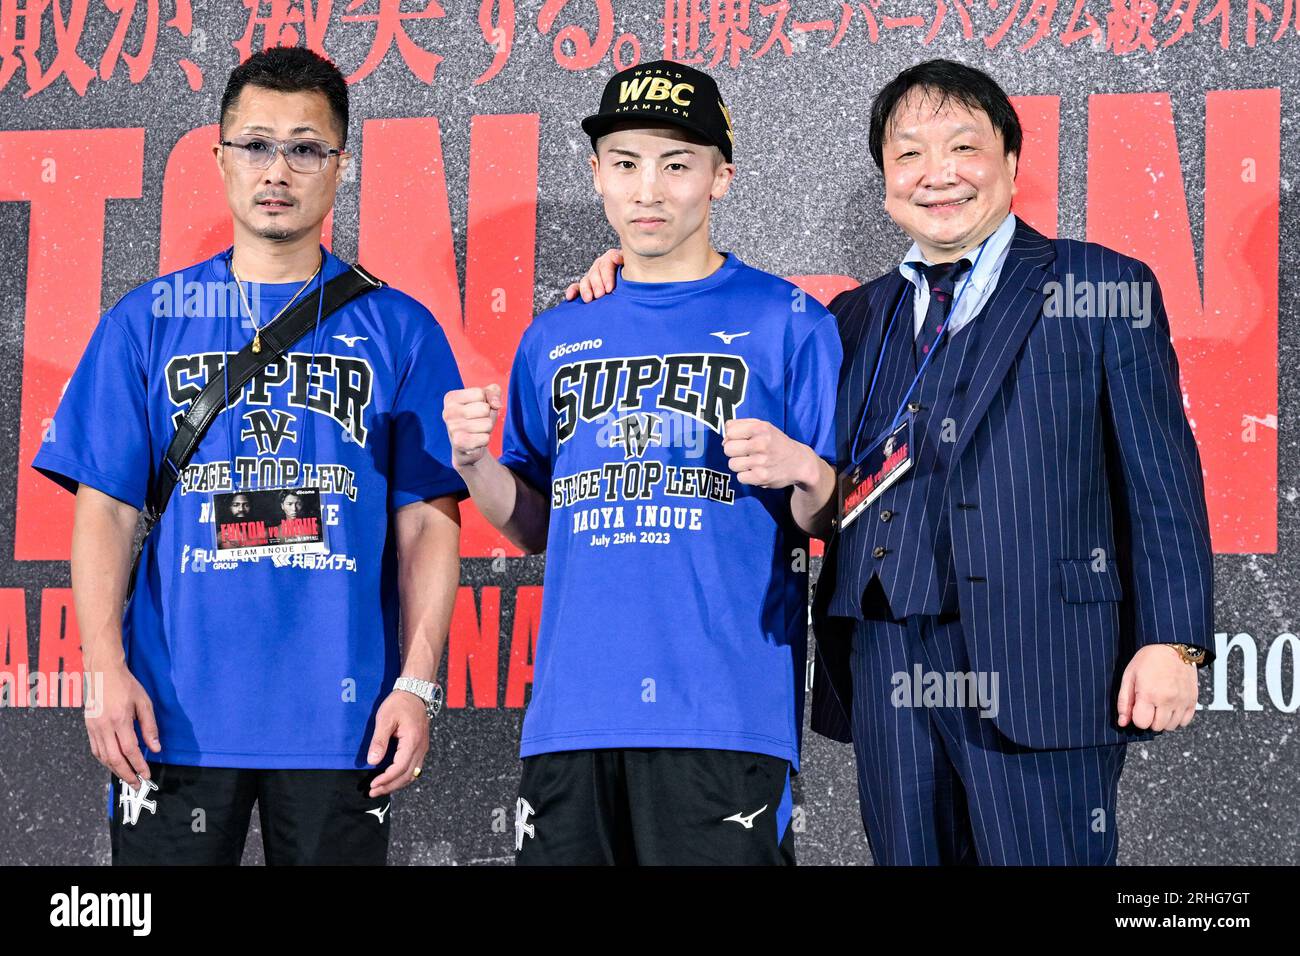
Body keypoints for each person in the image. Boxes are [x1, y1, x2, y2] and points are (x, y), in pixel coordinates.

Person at [566, 59, 1214, 866]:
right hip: (886, 667)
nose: (936, 175)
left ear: (1012, 163)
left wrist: (1175, 641)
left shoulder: (1100, 287)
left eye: (962, 148)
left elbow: (1163, 483)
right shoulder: (851, 316)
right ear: (884, 182)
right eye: (908, 154)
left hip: (1041, 664)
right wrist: (628, 279)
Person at [32, 46, 465, 865]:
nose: (278, 170)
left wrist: (415, 682)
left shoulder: (399, 329)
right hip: (170, 714)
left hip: (345, 723)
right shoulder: (148, 319)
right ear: (220, 156)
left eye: (305, 148)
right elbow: (109, 507)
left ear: (340, 164)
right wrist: (103, 668)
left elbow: (427, 522)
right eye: (256, 144)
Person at [444, 60, 842, 865]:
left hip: (723, 716)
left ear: (720, 178)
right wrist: (475, 463)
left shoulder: (790, 320)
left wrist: (804, 467)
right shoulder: (554, 336)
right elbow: (533, 527)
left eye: (676, 164)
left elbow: (833, 514)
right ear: (596, 175)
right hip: (572, 717)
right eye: (625, 164)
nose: (648, 191)